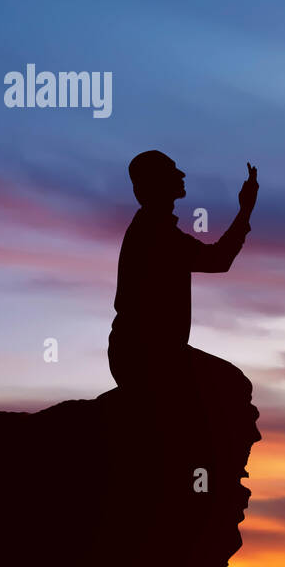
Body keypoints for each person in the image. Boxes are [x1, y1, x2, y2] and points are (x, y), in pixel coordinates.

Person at [107, 151, 258, 394]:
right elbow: (218, 259)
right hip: (146, 355)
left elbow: (217, 259)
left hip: (146, 353)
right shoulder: (156, 233)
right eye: (172, 170)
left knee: (231, 384)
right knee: (233, 386)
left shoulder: (155, 229)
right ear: (157, 182)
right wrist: (245, 210)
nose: (181, 174)